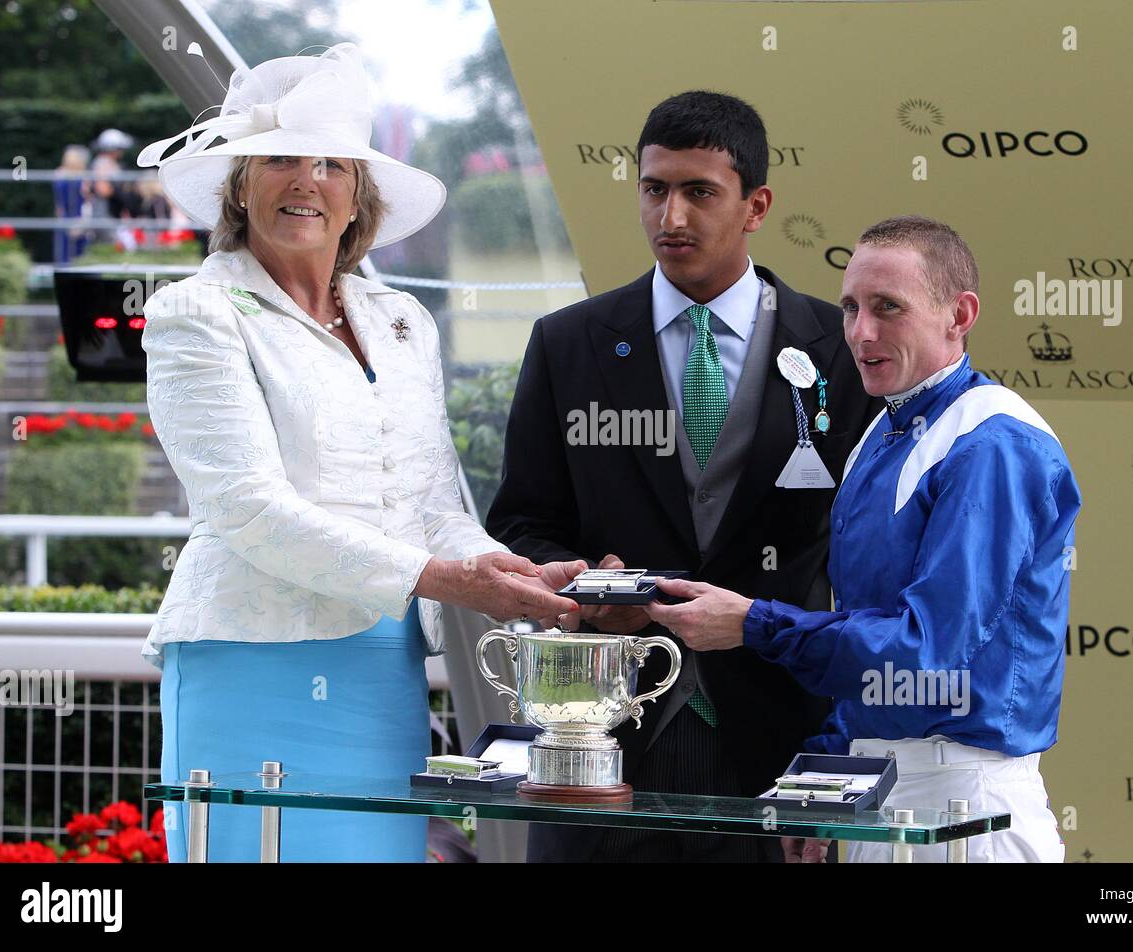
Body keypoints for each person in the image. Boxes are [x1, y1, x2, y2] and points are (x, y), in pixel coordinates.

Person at [136, 43, 581, 863]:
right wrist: (448, 581)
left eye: (332, 165)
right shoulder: (193, 313)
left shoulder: (404, 320)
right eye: (279, 160)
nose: (307, 180)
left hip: (382, 667)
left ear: (357, 199)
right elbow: (248, 508)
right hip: (248, 661)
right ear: (240, 187)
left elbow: (430, 506)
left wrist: (512, 574)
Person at [486, 91, 880, 862]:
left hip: (783, 745)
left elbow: (868, 559)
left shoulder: (838, 349)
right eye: (654, 189)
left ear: (756, 205)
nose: (672, 217)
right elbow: (522, 523)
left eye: (699, 192)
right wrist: (581, 586)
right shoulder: (567, 344)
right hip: (598, 741)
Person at [647, 216, 1081, 863]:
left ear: (959, 315)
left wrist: (753, 623)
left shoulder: (993, 443)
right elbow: (874, 661)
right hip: (887, 798)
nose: (860, 333)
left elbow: (926, 657)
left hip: (970, 810)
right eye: (850, 308)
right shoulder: (881, 435)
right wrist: (824, 776)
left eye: (888, 308)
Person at [52, 145, 91, 264]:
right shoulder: (84, 177)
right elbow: (87, 201)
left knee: (63, 255)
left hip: (65, 217)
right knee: (80, 255)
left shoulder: (58, 174)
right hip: (79, 217)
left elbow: (58, 204)